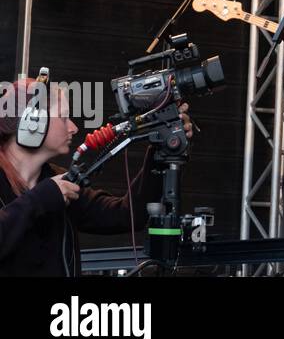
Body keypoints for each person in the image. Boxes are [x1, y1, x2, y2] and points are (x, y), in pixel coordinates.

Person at [0, 77, 191, 276]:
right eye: (64, 118)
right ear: (32, 121)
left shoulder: (60, 183)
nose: (73, 127)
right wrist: (40, 199)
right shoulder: (51, 190)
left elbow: (127, 215)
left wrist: (161, 150)